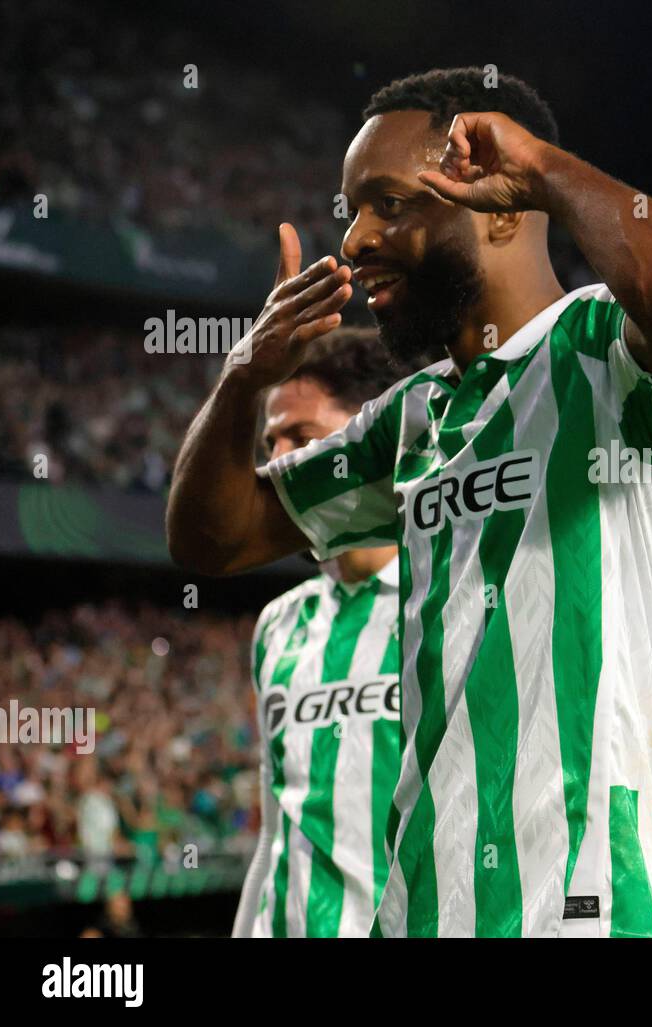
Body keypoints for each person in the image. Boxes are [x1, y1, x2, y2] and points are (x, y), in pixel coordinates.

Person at [167, 67, 652, 937]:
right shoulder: (409, 418)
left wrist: (547, 166)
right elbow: (211, 539)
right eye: (350, 209)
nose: (354, 240)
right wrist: (246, 379)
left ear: (501, 206)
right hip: (422, 909)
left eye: (389, 204)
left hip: (586, 905)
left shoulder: (604, 360)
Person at [232, 327, 402, 937]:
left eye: (300, 437)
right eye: (269, 439)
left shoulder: (445, 600)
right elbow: (275, 833)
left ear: (370, 437)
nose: (275, 461)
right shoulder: (280, 623)